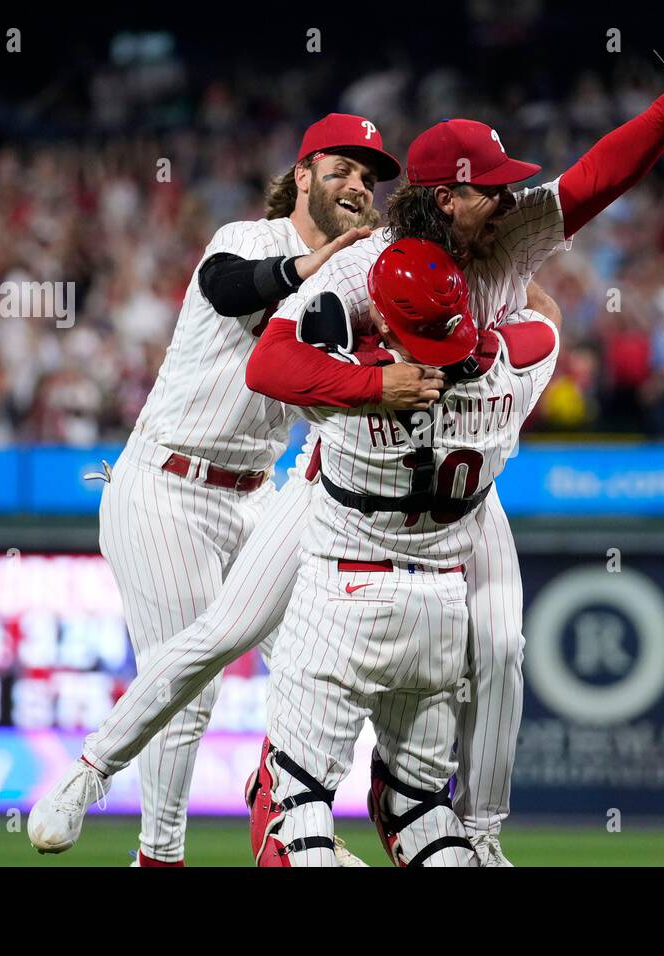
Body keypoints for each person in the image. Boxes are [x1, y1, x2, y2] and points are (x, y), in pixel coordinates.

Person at [28, 113, 412, 866]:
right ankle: (153, 850)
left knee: (324, 653)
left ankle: (285, 806)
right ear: (302, 176)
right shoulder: (251, 239)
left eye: (369, 175)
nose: (358, 183)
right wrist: (319, 263)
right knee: (191, 683)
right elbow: (230, 287)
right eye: (341, 166)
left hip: (257, 494)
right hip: (170, 482)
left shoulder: (359, 276)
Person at [248, 238, 561, 866]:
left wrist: (358, 339)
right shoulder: (518, 372)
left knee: (291, 807)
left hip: (346, 595)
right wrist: (499, 272)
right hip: (442, 606)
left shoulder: (355, 392)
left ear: (385, 319)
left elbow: (272, 364)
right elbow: (545, 320)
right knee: (420, 810)